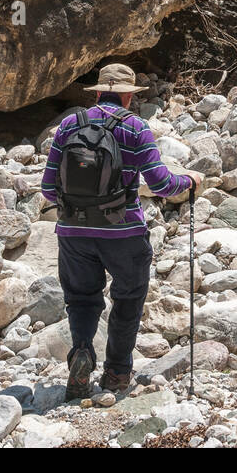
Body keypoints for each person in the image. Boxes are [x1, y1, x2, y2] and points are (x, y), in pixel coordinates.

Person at [40, 63, 203, 399]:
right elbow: (162, 183)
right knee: (127, 299)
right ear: (128, 97)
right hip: (124, 233)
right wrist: (190, 180)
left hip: (73, 232)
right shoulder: (136, 127)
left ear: (98, 92)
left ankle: (83, 352)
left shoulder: (70, 124)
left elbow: (47, 189)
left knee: (82, 301)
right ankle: (116, 373)